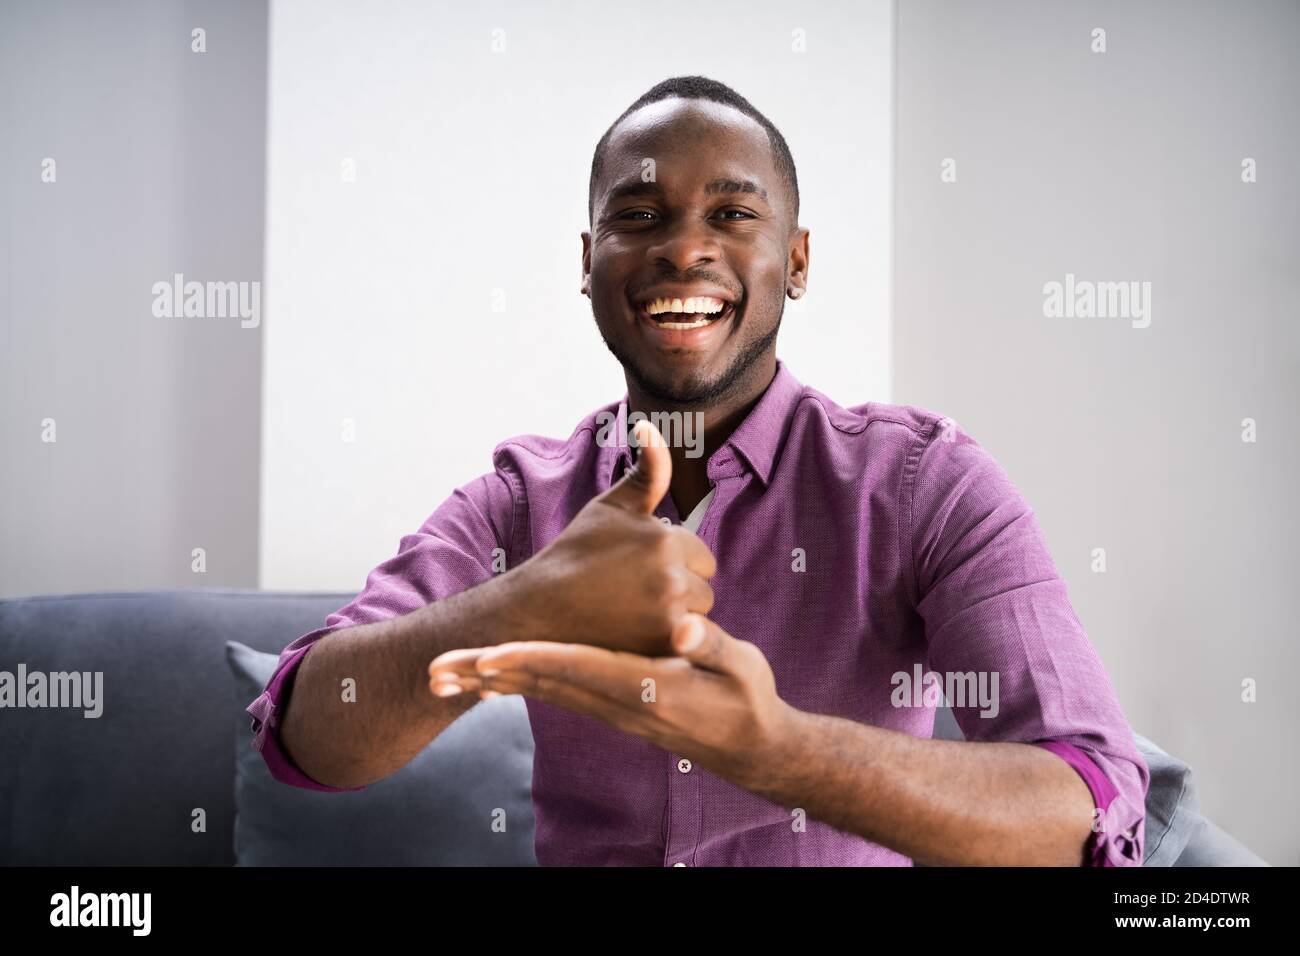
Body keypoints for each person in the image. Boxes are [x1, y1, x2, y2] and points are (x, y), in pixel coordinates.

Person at [247, 75, 1147, 866]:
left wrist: (780, 752)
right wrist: (525, 599)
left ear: (795, 262)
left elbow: (1088, 808)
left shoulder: (927, 486)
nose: (683, 249)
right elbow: (304, 738)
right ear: (589, 263)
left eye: (732, 214)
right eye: (637, 218)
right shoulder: (516, 504)